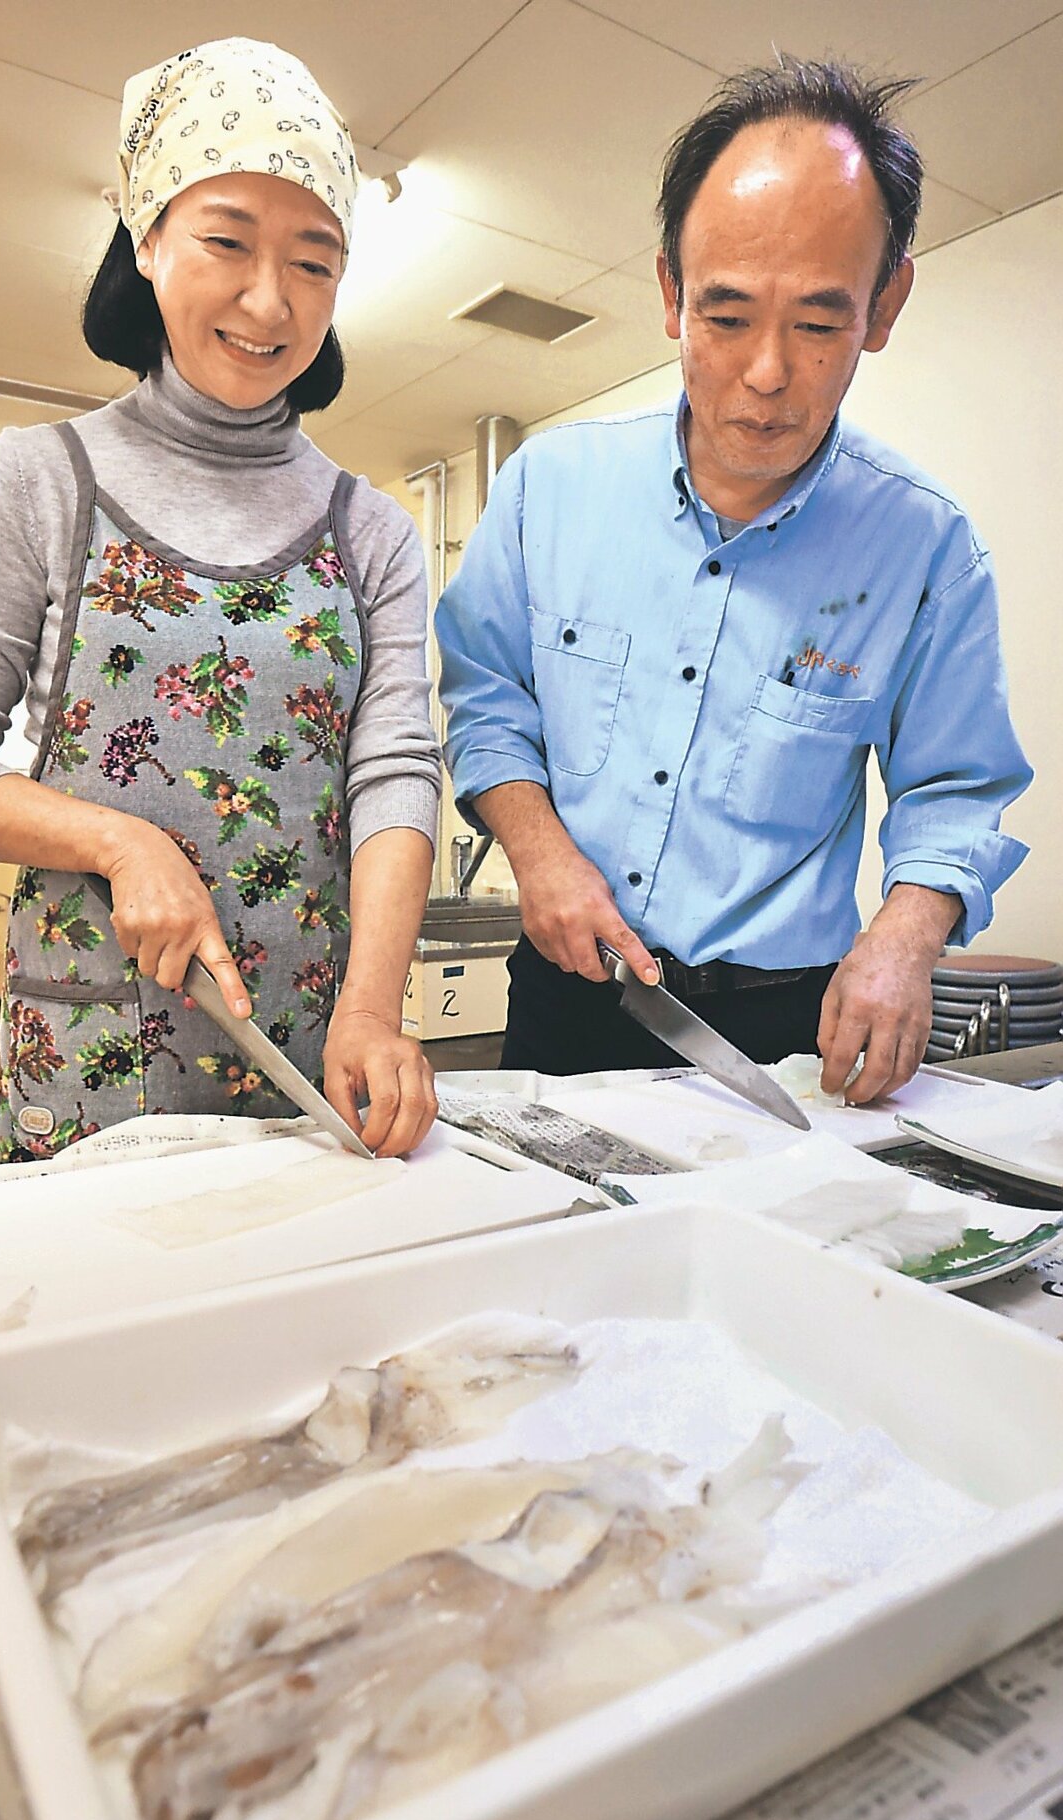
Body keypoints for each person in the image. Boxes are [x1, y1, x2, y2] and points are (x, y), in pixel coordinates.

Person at [0, 38, 441, 1161]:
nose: (270, 300)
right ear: (147, 240)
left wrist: (374, 1009)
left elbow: (393, 775)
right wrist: (118, 841)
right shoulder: (42, 478)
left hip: (312, 1046)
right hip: (93, 1052)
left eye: (315, 262)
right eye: (227, 241)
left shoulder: (372, 529)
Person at [436, 58, 1030, 1107]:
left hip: (782, 1025)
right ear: (670, 291)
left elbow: (954, 790)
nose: (765, 374)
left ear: (883, 307)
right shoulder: (548, 491)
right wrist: (537, 848)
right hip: (569, 994)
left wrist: (905, 931)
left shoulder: (924, 546)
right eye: (725, 317)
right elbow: (488, 699)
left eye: (816, 323)